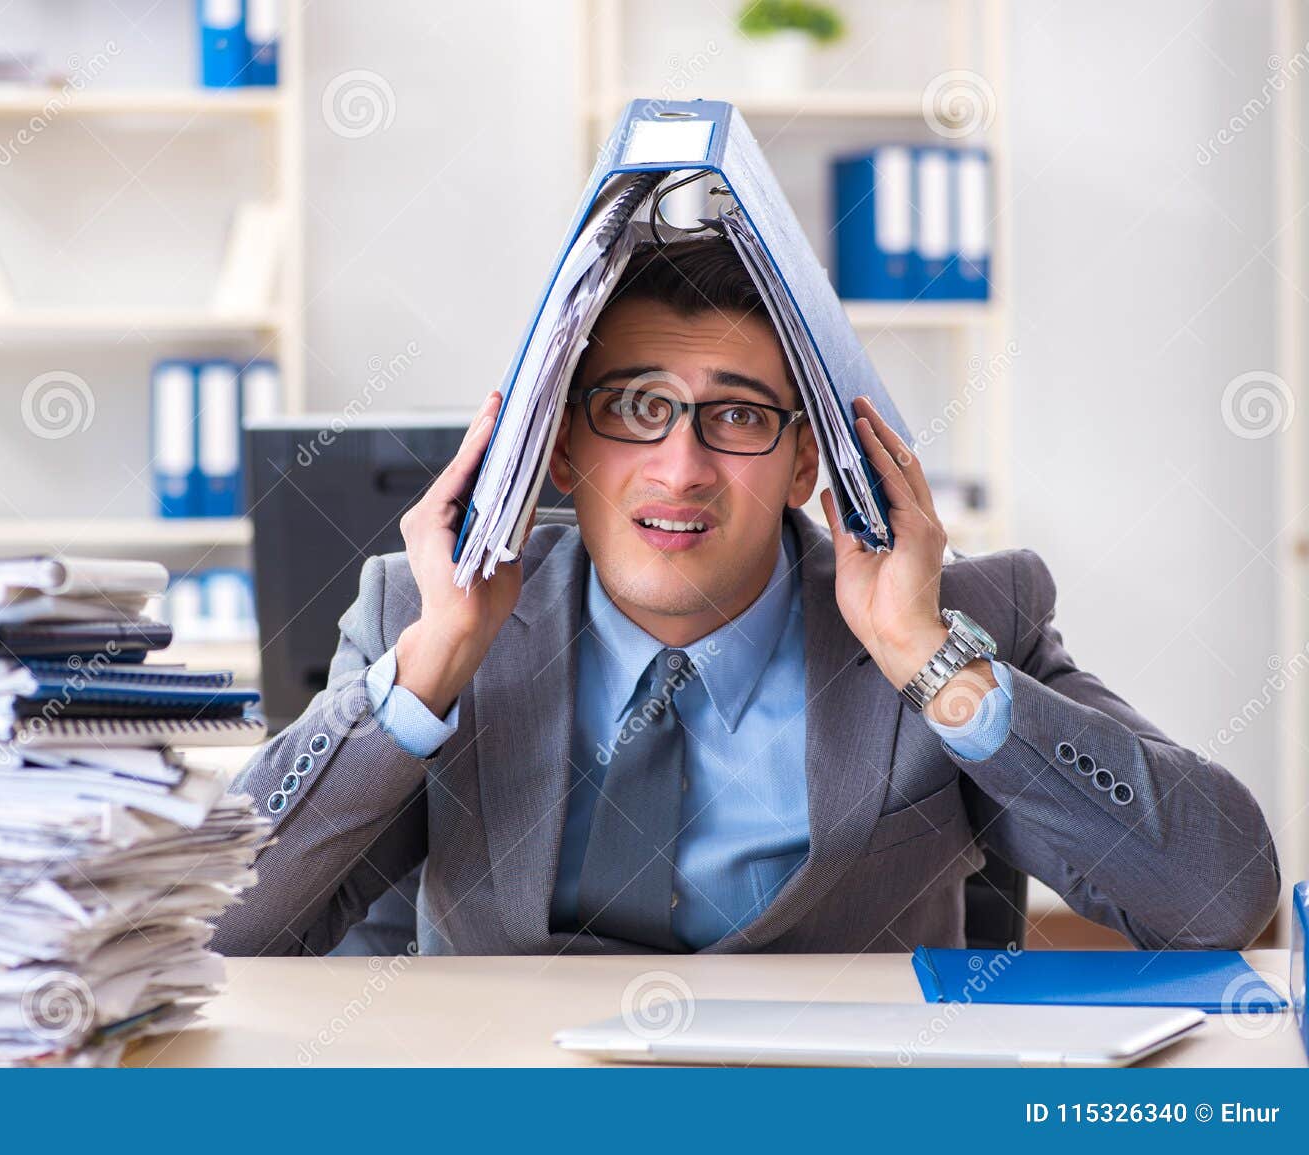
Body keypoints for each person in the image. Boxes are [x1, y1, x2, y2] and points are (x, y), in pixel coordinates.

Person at [211, 239, 1279, 956]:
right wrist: (432, 669)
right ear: (561, 451)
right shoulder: (417, 618)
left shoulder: (956, 621)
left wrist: (928, 662)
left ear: (810, 462)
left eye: (736, 417)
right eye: (635, 407)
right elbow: (213, 931)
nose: (679, 470)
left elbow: (1218, 893)